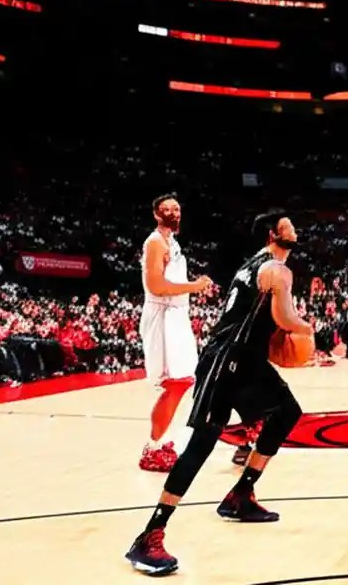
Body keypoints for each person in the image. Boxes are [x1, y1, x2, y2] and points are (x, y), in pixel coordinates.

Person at [124, 211, 313, 576]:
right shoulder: (277, 269)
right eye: (288, 225)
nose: (295, 229)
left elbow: (268, 324)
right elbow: (286, 319)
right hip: (226, 359)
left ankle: (241, 494)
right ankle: (149, 535)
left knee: (286, 411)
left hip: (245, 359)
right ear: (274, 234)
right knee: (202, 444)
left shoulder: (252, 266)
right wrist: (309, 328)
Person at [137, 193, 213, 472]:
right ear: (157, 214)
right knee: (174, 383)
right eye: (167, 209)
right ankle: (152, 448)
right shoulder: (155, 242)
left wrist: (192, 291)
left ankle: (161, 441)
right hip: (163, 314)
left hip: (176, 314)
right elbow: (156, 285)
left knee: (183, 381)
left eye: (177, 208)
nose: (173, 212)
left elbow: (173, 282)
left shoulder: (173, 242)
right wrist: (193, 286)